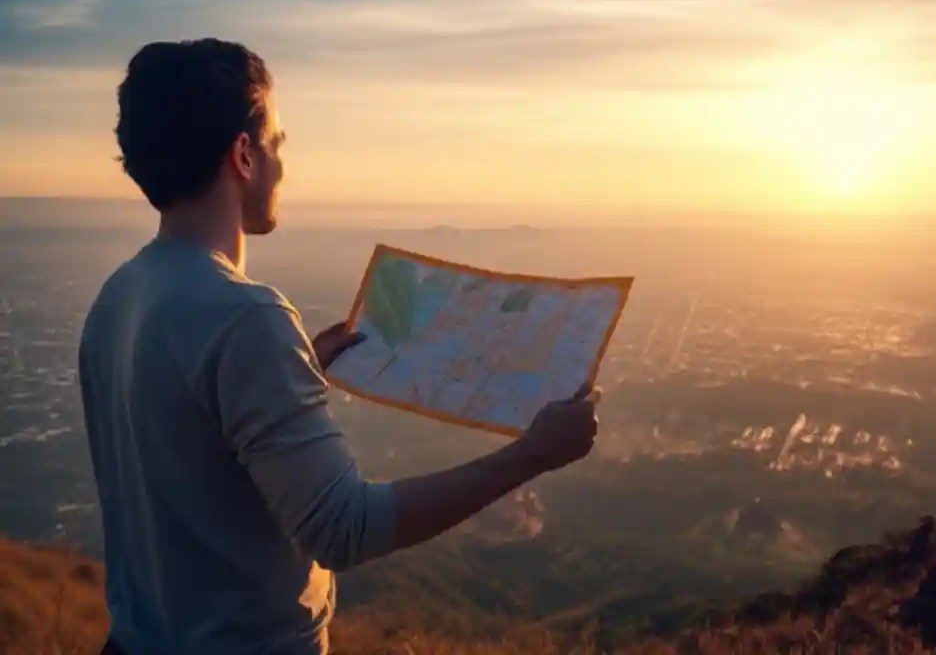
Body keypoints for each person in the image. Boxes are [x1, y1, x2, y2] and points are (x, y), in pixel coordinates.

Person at [78, 38, 600, 655]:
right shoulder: (244, 318)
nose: (281, 163)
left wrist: (295, 372)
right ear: (243, 154)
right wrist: (533, 454)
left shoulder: (119, 297)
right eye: (275, 143)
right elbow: (346, 528)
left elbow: (188, 448)